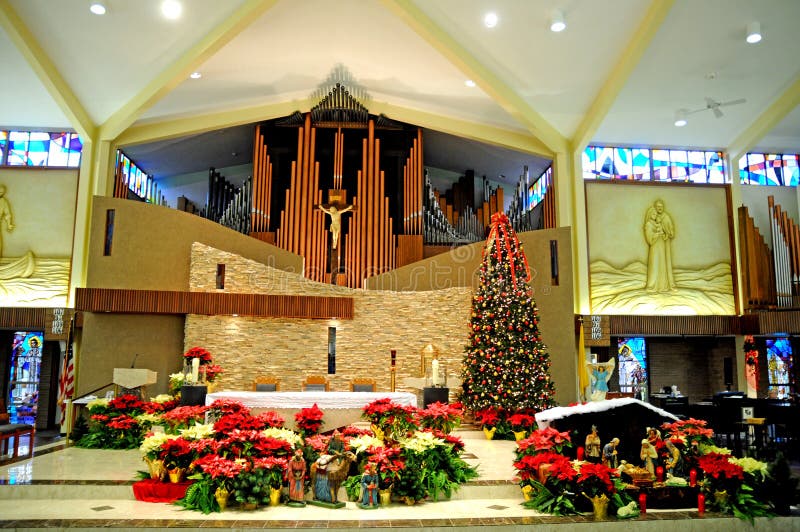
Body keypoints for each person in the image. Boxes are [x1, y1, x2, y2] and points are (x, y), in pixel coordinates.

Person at [644, 199, 677, 293]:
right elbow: (650, 236)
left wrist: (666, 234)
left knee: (662, 264)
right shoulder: (651, 222)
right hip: (656, 246)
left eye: (661, 206)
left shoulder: (666, 218)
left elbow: (671, 232)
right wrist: (657, 233)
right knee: (655, 265)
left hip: (663, 246)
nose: (659, 208)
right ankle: (653, 285)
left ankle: (663, 285)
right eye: (658, 207)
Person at [0, 184, 15, 258]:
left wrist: (9, 224)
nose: (0, 194)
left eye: (2, 193)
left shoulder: (3, 201)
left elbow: (7, 214)